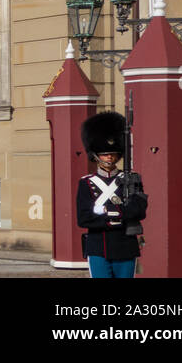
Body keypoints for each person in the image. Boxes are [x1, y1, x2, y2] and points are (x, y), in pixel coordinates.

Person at [77, 111, 149, 278]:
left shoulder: (132, 179)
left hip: (125, 246)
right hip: (98, 248)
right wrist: (118, 214)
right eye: (104, 153)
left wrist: (105, 212)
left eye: (113, 153)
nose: (109, 157)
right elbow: (84, 218)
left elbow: (139, 210)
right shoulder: (86, 183)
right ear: (95, 155)